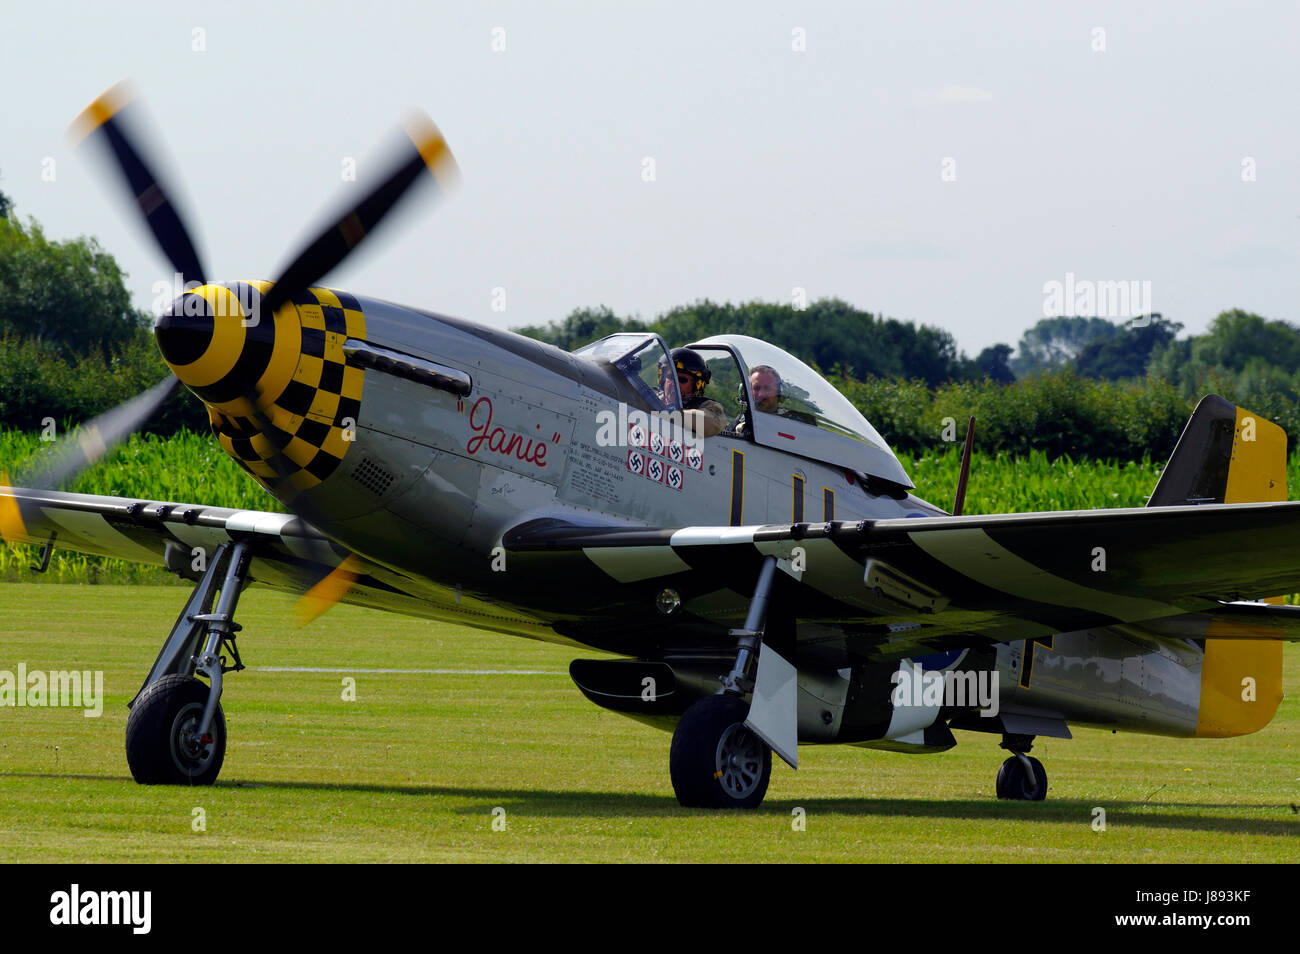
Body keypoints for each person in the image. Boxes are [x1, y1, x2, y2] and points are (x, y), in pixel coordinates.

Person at [661, 348, 726, 438]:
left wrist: (672, 414)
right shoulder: (652, 399)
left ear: (696, 385)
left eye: (682, 380)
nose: (674, 384)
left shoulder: (708, 406)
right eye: (670, 377)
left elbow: (714, 422)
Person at [733, 365, 784, 437]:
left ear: (778, 392)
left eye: (767, 388)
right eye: (756, 388)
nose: (761, 394)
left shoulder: (788, 426)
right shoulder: (740, 422)